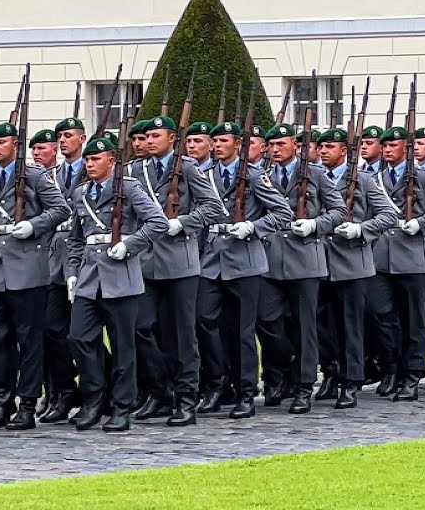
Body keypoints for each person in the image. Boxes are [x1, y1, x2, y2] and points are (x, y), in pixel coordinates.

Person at [0, 122, 70, 430]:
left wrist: (34, 225)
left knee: (29, 339)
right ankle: (2, 397)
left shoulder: (34, 176)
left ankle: (28, 403)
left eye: (1, 141)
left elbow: (61, 209)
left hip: (27, 267)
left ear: (15, 144)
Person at [64, 136, 167, 431]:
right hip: (89, 279)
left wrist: (131, 244)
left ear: (112, 160)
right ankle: (95, 397)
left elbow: (157, 222)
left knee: (123, 345)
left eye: (96, 159)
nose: (90, 164)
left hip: (120, 278)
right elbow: (76, 238)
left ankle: (122, 405)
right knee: (79, 338)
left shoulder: (130, 189)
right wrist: (72, 271)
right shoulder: (81, 193)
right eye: (87, 159)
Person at [195, 121, 292, 418]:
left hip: (245, 260)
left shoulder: (252, 175)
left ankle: (246, 392)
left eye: (223, 140)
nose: (217, 145)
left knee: (243, 331)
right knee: (204, 321)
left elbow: (282, 213)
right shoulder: (204, 175)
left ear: (238, 144)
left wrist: (253, 226)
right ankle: (217, 384)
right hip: (212, 260)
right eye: (215, 140)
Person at [132, 116, 219, 425]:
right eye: (147, 135)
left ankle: (185, 398)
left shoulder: (189, 168)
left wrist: (182, 222)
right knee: (142, 328)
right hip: (146, 261)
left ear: (172, 138)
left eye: (156, 135)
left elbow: (212, 207)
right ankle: (159, 388)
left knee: (183, 334)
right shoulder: (135, 170)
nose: (150, 140)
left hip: (180, 261)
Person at [258, 123, 347, 414]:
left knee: (306, 326)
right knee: (268, 321)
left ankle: (304, 386)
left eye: (280, 144)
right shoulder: (263, 175)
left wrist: (314, 225)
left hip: (305, 259)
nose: (274, 150)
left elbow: (337, 212)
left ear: (294, 145)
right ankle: (282, 371)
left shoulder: (316, 173)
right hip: (271, 259)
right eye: (270, 146)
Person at [367, 127, 425, 399]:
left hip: (415, 257)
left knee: (414, 320)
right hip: (383, 258)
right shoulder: (376, 178)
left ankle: (412, 374)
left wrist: (421, 223)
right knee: (382, 316)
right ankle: (391, 367)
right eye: (385, 146)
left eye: (393, 145)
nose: (387, 150)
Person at [314, 127, 398, 408]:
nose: (323, 151)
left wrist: (362, 229)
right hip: (318, 261)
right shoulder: (312, 177)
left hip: (351, 261)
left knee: (351, 325)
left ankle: (351, 380)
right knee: (321, 324)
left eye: (330, 146)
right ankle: (330, 370)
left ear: (344, 151)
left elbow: (389, 214)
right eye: (321, 146)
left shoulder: (362, 180)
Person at [41, 117, 87, 423]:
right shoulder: (50, 175)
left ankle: (99, 387)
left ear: (82, 138)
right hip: (56, 260)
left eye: (68, 135)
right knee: (52, 328)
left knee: (84, 334)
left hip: (88, 259)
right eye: (59, 136)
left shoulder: (95, 168)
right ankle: (64, 389)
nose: (62, 140)